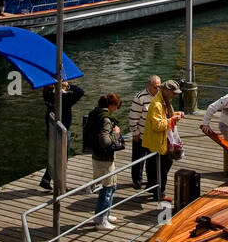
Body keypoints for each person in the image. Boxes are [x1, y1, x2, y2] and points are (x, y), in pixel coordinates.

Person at [142, 79, 183, 203]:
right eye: (173, 93)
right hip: (157, 142)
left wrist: (176, 114)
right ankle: (159, 193)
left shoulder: (164, 101)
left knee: (158, 167)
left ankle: (154, 188)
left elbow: (164, 116)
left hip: (162, 140)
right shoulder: (157, 104)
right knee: (162, 167)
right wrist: (172, 120)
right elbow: (157, 125)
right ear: (166, 91)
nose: (174, 95)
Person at [39, 80, 85, 191]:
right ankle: (61, 185)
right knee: (63, 158)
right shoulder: (64, 98)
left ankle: (46, 179)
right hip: (62, 131)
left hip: (51, 129)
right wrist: (68, 86)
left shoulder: (47, 94)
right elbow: (80, 92)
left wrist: (61, 85)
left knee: (54, 156)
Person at [88, 93, 124, 231]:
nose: (116, 109)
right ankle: (101, 220)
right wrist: (116, 133)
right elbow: (105, 141)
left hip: (96, 156)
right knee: (108, 188)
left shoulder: (94, 114)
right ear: (111, 106)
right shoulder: (106, 120)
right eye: (116, 106)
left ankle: (106, 214)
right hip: (105, 159)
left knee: (110, 186)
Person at [127, 74, 161, 190]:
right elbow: (133, 117)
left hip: (154, 135)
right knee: (138, 158)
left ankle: (151, 182)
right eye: (155, 87)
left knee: (152, 160)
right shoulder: (140, 97)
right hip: (141, 134)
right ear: (149, 86)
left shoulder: (160, 96)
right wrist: (135, 132)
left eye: (159, 87)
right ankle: (136, 180)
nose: (158, 89)